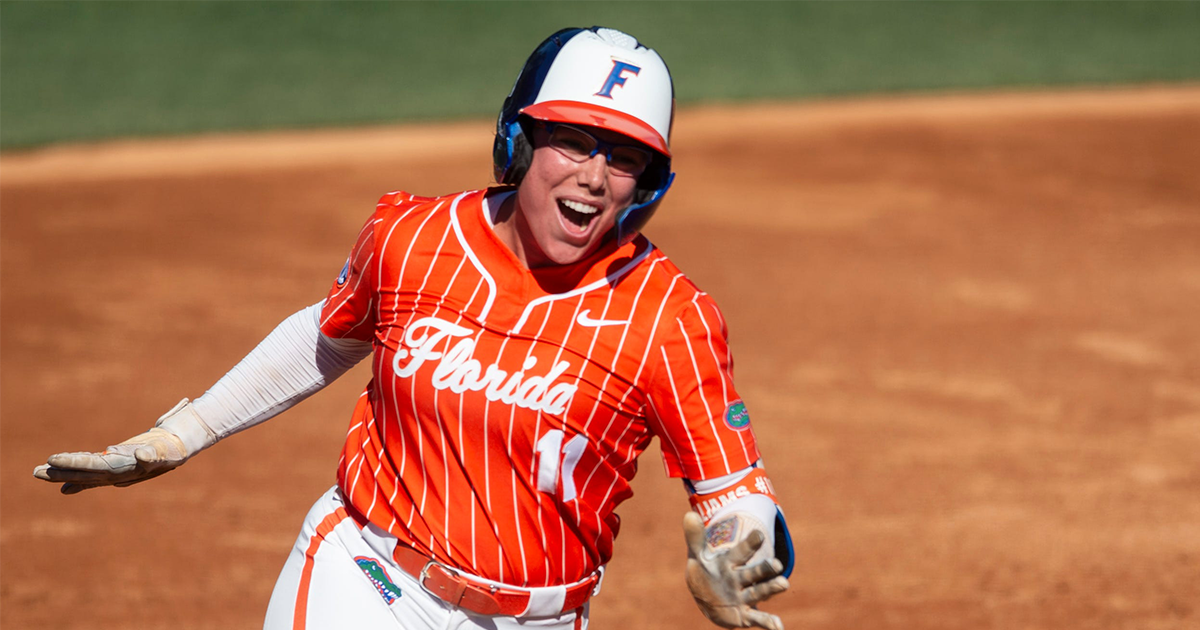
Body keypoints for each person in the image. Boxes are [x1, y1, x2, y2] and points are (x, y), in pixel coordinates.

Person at [34, 26, 793, 630]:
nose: (594, 177)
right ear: (518, 142)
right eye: (571, 141)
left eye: (623, 158)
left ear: (646, 184)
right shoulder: (414, 240)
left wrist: (734, 556)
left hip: (543, 619)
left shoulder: (670, 318)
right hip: (364, 579)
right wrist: (183, 433)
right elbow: (327, 336)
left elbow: (738, 495)